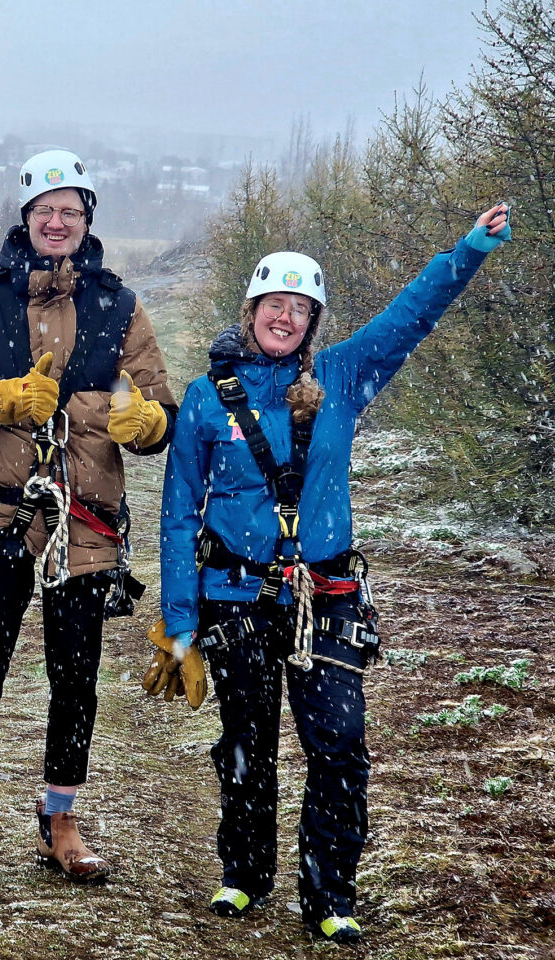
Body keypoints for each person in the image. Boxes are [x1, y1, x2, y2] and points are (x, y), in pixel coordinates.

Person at [154, 203, 512, 942]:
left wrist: (468, 250)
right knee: (244, 741)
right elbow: (178, 514)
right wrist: (182, 622)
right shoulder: (203, 399)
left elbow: (412, 316)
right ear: (250, 310)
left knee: (340, 745)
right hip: (237, 598)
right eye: (273, 305)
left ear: (313, 321)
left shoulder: (344, 376)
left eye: (300, 308)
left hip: (327, 598)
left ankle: (329, 896)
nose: (285, 318)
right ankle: (243, 878)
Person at [0, 149, 177, 887]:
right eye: (43, 212)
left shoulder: (120, 308)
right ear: (25, 220)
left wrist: (142, 423)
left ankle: (60, 816)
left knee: (77, 673)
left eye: (69, 211)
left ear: (87, 220)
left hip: (85, 523)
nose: (56, 222)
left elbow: (165, 415)